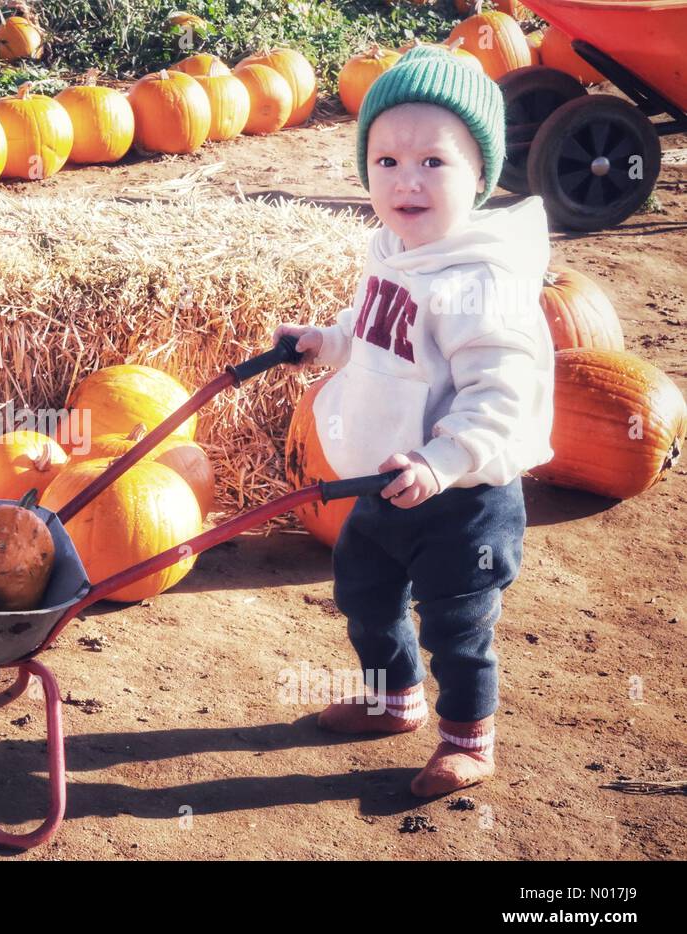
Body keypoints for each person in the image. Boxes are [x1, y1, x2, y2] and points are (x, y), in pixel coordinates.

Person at [273, 46, 555, 797]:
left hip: (460, 499)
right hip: (384, 479)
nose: (407, 179)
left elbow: (500, 395)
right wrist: (327, 343)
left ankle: (469, 739)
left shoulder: (481, 281)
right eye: (387, 159)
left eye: (435, 161)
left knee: (457, 628)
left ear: (480, 175)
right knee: (363, 593)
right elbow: (374, 327)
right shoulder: (395, 248)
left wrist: (442, 460)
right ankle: (393, 700)